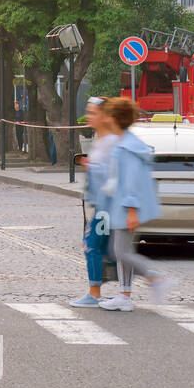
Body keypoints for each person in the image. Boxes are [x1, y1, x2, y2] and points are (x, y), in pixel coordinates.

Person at [94, 96, 177, 312]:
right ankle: (124, 295)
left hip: (125, 207)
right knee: (121, 251)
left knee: (120, 252)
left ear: (113, 118)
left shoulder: (126, 148)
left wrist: (132, 211)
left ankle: (155, 278)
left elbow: (130, 182)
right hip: (122, 205)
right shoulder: (125, 142)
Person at [71, 97, 119, 308]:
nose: (88, 117)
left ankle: (96, 293)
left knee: (93, 247)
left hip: (107, 206)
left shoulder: (110, 141)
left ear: (105, 116)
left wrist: (92, 167)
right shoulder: (103, 139)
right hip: (102, 204)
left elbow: (115, 172)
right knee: (106, 249)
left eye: (92, 113)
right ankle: (114, 292)